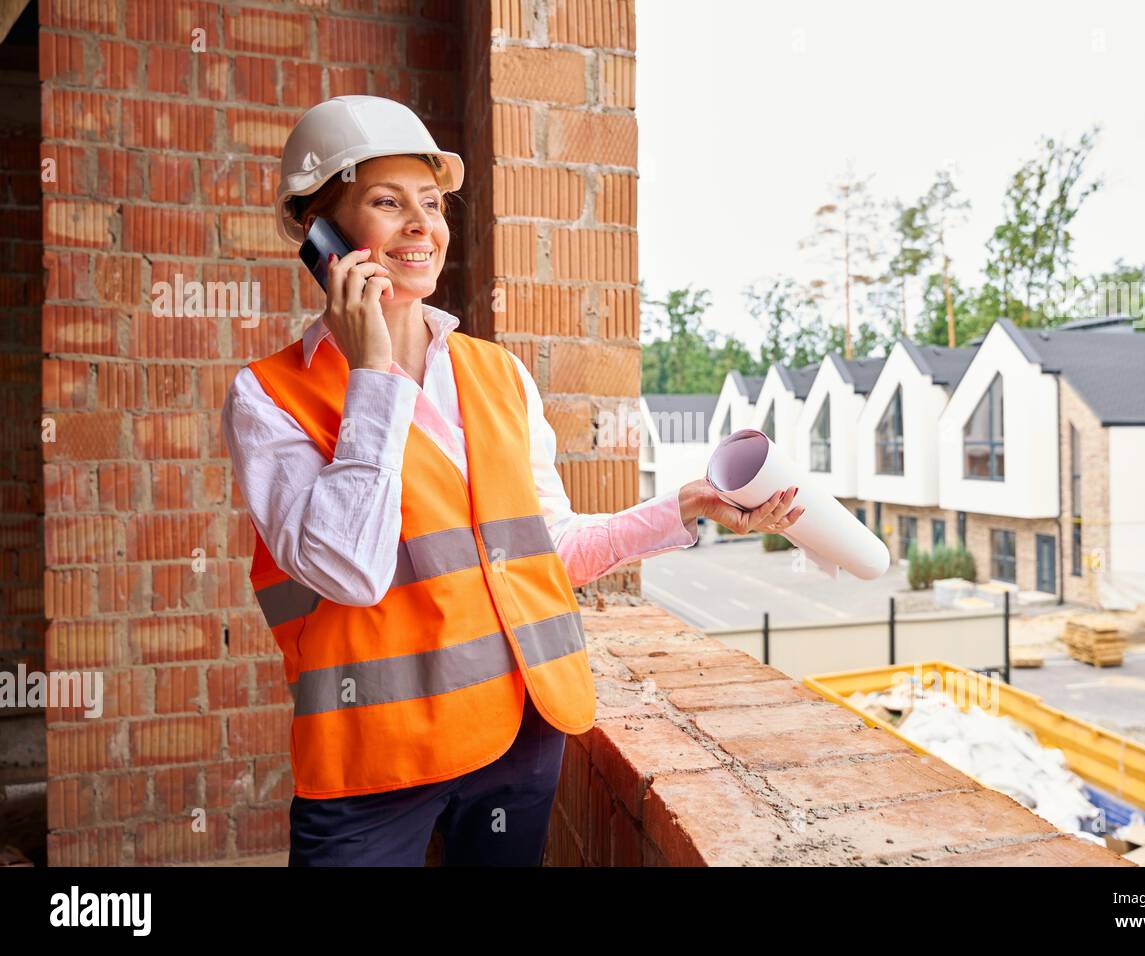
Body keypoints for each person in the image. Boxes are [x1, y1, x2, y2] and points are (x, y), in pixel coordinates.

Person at [220, 95, 805, 867]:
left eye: (432, 204)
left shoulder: (497, 375)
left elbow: (545, 552)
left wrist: (682, 508)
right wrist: (372, 374)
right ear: (319, 232)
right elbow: (347, 571)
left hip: (519, 736)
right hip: (370, 762)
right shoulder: (268, 397)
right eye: (386, 203)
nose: (421, 225)